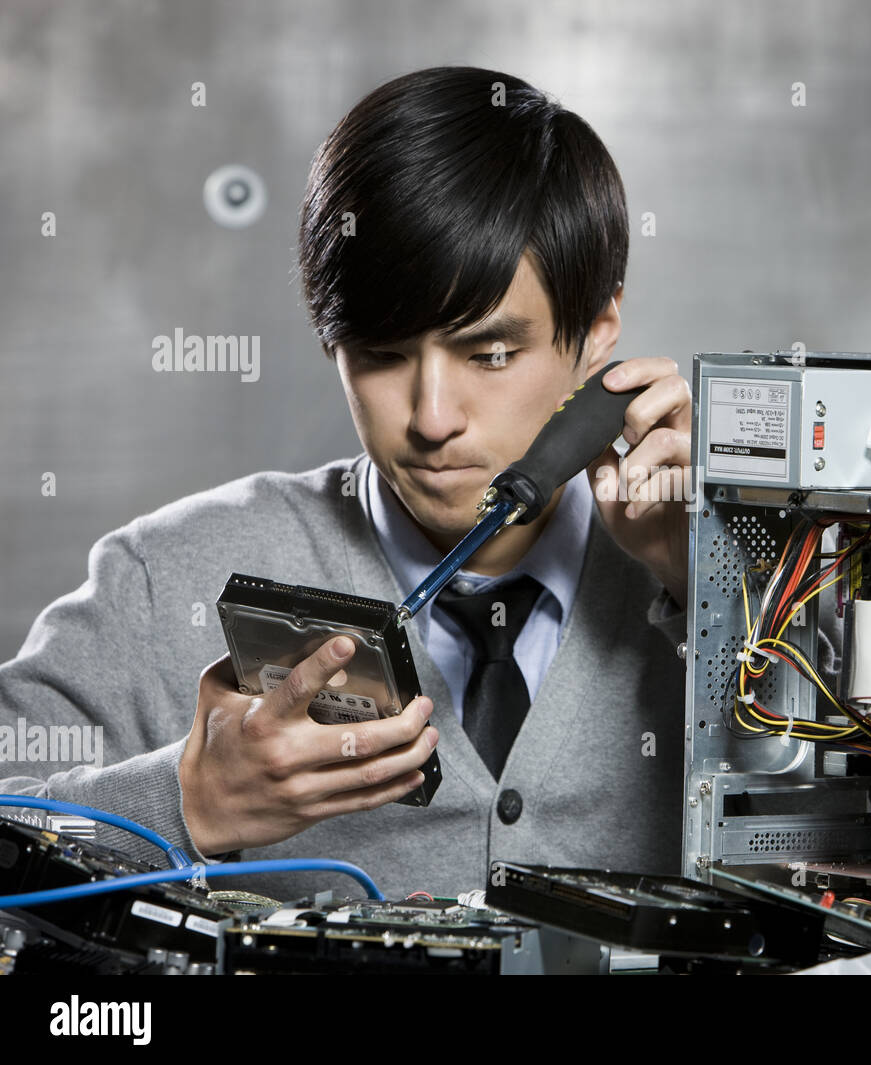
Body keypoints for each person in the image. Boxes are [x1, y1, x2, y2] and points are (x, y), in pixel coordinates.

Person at [0, 67, 693, 900]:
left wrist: (709, 591)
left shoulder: (730, 576)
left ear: (599, 328)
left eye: (491, 354)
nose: (433, 418)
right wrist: (189, 803)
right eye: (382, 355)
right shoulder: (164, 577)